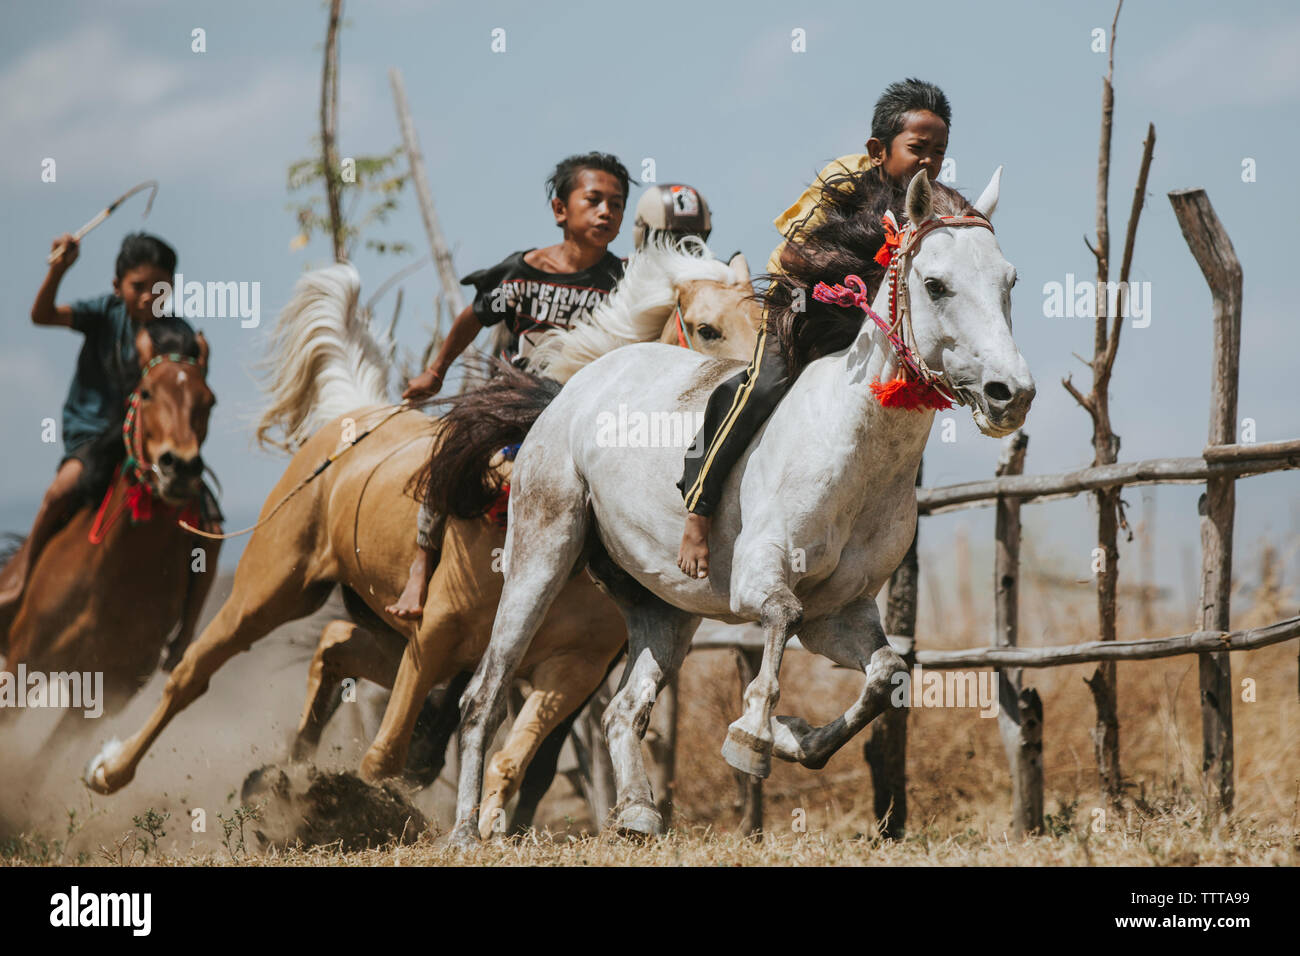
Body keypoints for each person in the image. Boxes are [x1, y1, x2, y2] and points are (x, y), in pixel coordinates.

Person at [676, 78, 954, 579]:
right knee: (762, 388)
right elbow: (794, 256)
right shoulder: (845, 180)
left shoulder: (936, 205)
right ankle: (699, 512)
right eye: (918, 149)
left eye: (939, 151)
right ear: (878, 149)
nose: (929, 162)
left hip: (872, 326)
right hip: (802, 310)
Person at [385, 152, 631, 620]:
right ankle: (421, 565)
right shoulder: (523, 273)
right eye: (594, 200)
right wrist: (435, 372)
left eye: (617, 205)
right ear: (561, 210)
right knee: (453, 448)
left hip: (586, 410)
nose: (606, 212)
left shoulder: (623, 281)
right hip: (516, 402)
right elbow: (470, 319)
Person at [0, 232, 202, 616]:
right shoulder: (103, 313)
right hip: (93, 432)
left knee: (207, 517)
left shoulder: (180, 333)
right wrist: (59, 271)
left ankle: (188, 627)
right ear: (116, 287)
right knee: (61, 490)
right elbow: (41, 316)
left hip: (152, 444)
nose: (147, 296)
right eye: (137, 287)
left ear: (172, 287)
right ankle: (21, 577)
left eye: (158, 287)